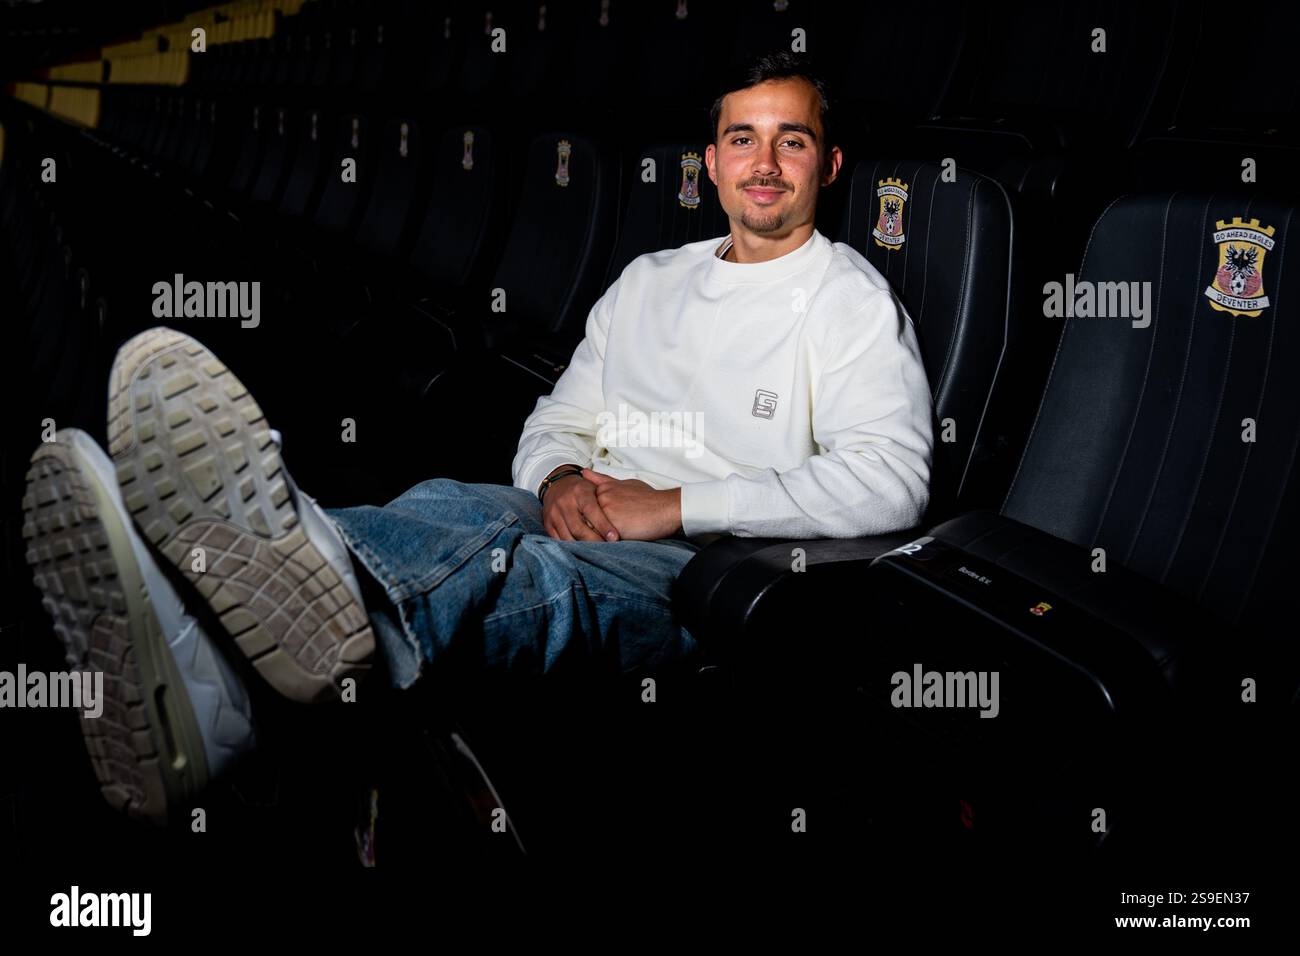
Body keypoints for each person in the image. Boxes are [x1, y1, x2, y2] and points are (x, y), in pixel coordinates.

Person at [20, 53, 934, 823]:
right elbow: (556, 419)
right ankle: (215, 622)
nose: (765, 161)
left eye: (793, 140)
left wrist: (678, 505)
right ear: (711, 160)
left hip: (706, 565)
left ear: (831, 164)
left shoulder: (850, 301)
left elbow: (891, 482)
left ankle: (193, 607)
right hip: (582, 505)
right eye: (744, 138)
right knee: (448, 506)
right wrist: (563, 474)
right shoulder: (650, 278)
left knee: (521, 576)